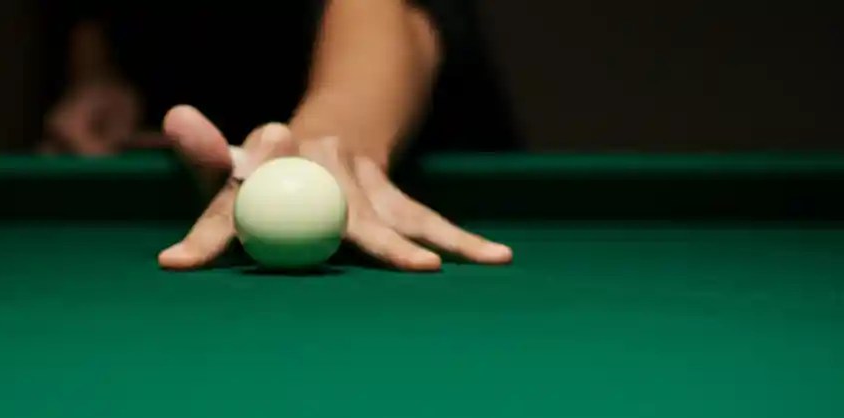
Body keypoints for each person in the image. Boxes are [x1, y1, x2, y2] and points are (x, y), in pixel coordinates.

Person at [39, 0, 520, 271]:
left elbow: (384, 13)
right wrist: (96, 75)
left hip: (409, 143)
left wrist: (327, 132)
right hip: (213, 141)